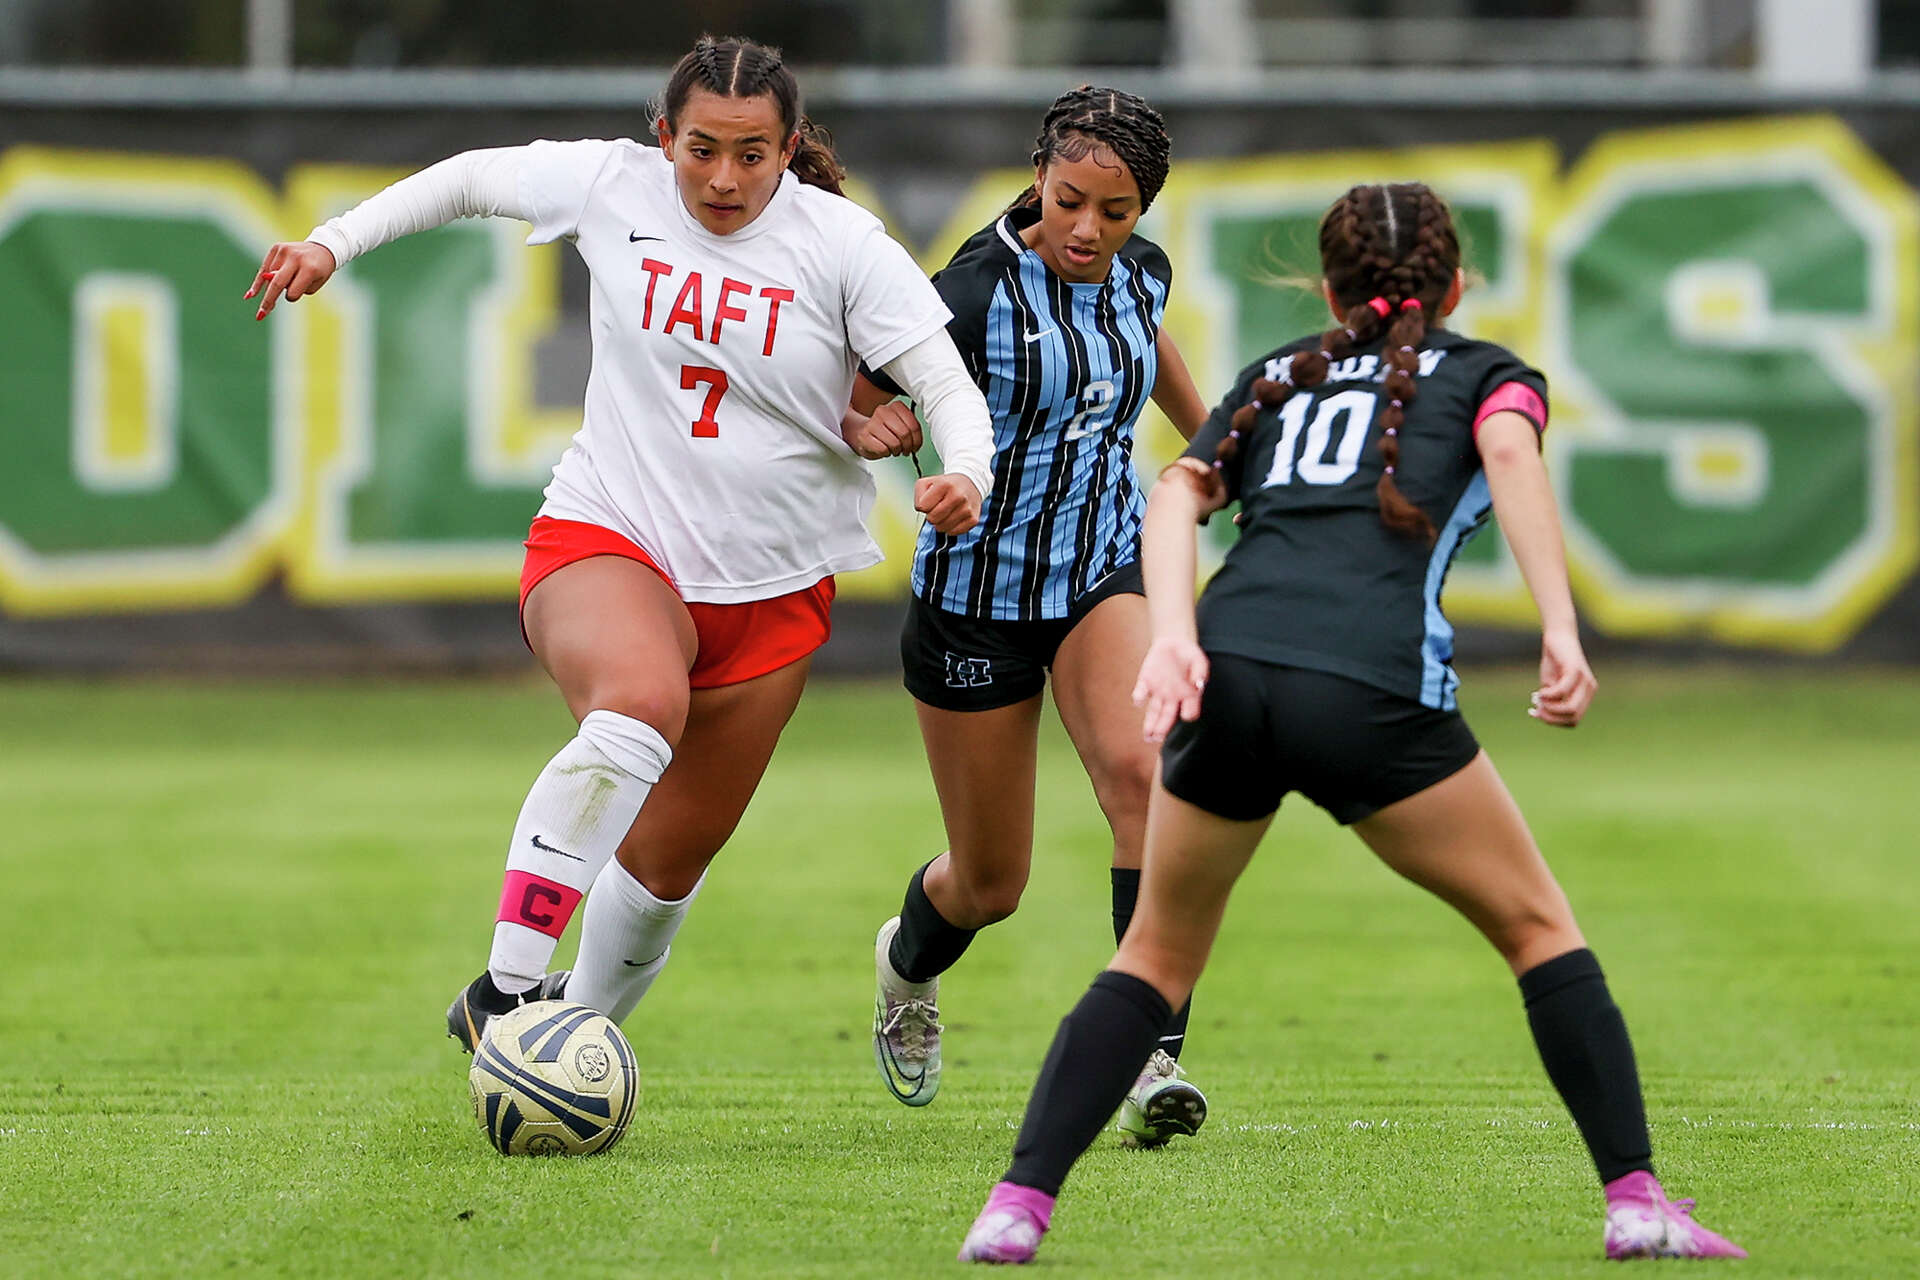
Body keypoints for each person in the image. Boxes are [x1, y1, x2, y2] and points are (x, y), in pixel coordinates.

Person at [956, 182, 1747, 1263]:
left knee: (1152, 957)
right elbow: (1511, 456)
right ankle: (1636, 1199)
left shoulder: (1283, 372)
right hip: (1369, 686)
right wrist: (1562, 628)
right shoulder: (1485, 376)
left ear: (1328, 290)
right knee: (1538, 929)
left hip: (1229, 676)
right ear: (1455, 285)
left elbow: (1176, 494)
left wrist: (1178, 637)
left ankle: (1016, 1207)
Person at [246, 36, 997, 1054]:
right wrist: (333, 241)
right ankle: (511, 993)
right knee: (639, 705)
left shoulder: (843, 243)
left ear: (787, 151)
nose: (723, 176)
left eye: (751, 153)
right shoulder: (613, 183)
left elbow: (946, 385)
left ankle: (553, 1047)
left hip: (773, 591)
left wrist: (965, 475)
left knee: (660, 874)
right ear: (664, 137)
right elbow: (470, 179)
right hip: (611, 533)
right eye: (701, 149)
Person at [858, 87, 1214, 1148]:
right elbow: (855, 387)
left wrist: (1223, 453)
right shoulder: (967, 292)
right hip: (976, 603)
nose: (1088, 230)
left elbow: (1152, 353)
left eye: (1116, 211)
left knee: (1148, 776)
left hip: (1104, 570)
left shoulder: (1139, 272)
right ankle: (905, 965)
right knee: (988, 881)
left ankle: (1152, 1055)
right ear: (1038, 180)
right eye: (1070, 202)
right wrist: (883, 431)